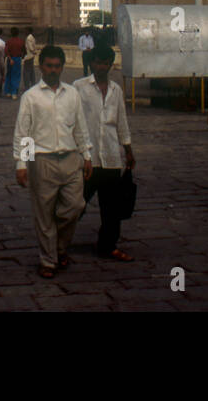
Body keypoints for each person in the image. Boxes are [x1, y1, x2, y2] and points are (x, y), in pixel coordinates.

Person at [13, 45, 92, 279]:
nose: (53, 70)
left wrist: (87, 155)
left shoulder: (72, 94)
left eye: (57, 66)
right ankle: (49, 260)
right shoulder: (31, 97)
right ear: (41, 67)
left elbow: (80, 127)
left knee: (76, 206)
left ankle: (57, 246)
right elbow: (23, 132)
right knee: (44, 212)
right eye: (49, 66)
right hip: (43, 160)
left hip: (70, 158)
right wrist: (21, 164)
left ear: (62, 67)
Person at [74, 43, 135, 261]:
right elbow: (73, 122)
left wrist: (127, 150)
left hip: (110, 156)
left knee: (111, 208)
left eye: (106, 63)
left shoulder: (116, 90)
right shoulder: (78, 87)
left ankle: (108, 245)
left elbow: (121, 122)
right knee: (76, 204)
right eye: (98, 62)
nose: (102, 66)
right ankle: (59, 242)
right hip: (88, 158)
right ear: (91, 63)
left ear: (111, 65)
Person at [4, 27, 25, 102]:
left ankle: (8, 91)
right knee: (16, 76)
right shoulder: (21, 41)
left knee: (9, 75)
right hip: (17, 59)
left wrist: (10, 59)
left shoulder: (9, 41)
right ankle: (14, 92)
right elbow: (23, 51)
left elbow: (6, 51)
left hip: (10, 59)